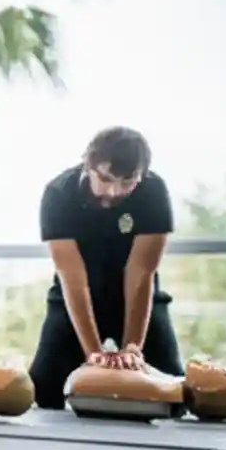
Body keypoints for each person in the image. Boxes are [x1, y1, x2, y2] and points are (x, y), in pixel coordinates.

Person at [29, 126, 184, 409]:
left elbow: (140, 273)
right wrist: (94, 355)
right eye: (105, 179)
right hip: (75, 294)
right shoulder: (58, 194)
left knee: (175, 387)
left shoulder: (153, 191)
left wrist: (133, 349)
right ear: (88, 165)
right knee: (43, 387)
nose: (113, 192)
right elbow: (72, 278)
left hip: (137, 296)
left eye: (127, 182)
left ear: (141, 175)